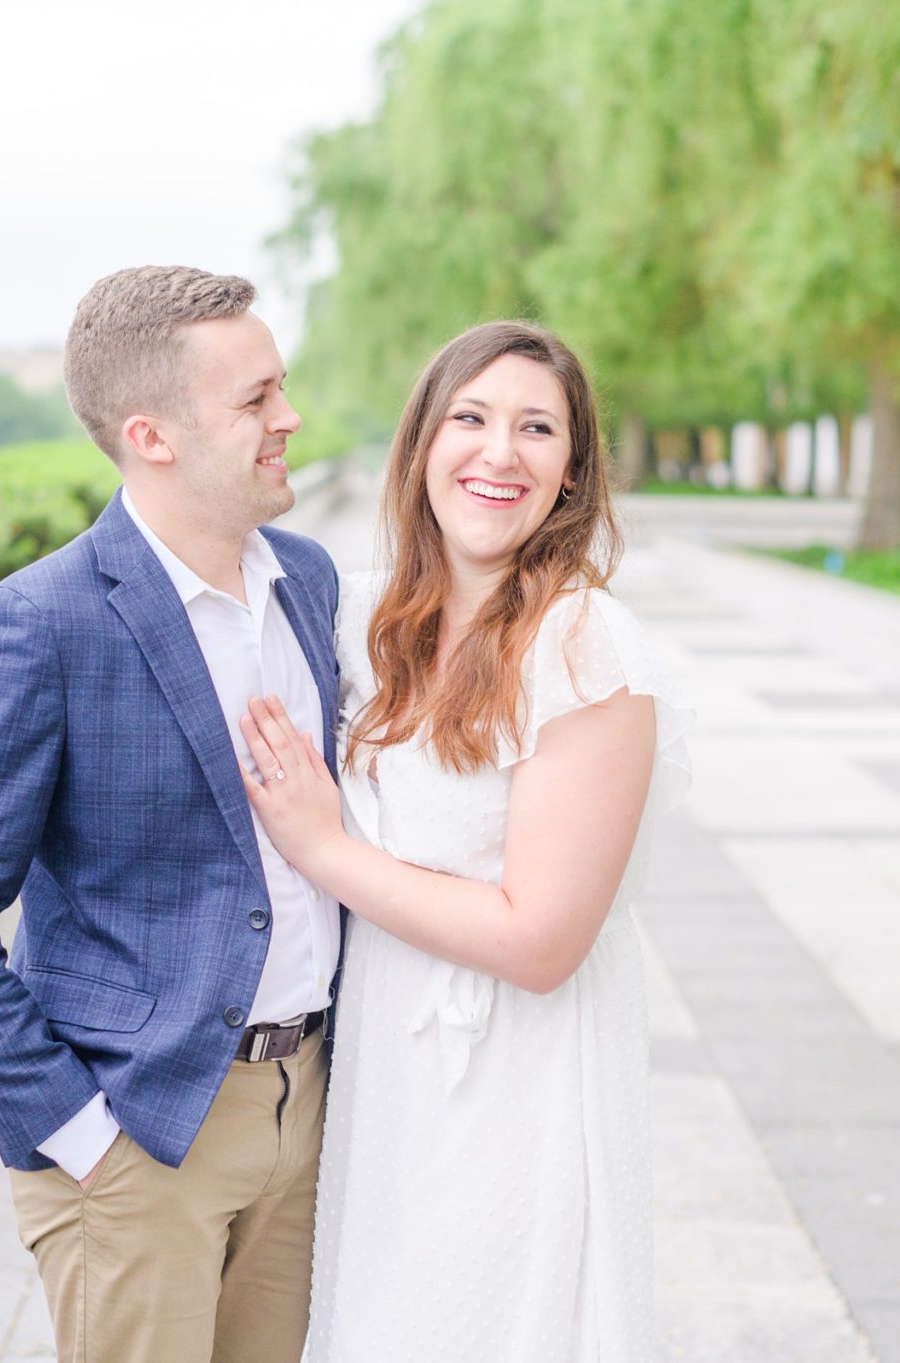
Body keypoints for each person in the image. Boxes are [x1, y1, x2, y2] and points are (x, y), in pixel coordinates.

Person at [0, 265, 341, 1363]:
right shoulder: (43, 624)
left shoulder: (310, 582)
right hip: (141, 1140)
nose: (289, 418)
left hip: (310, 1109)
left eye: (282, 387)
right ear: (152, 435)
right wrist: (79, 1136)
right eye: (255, 399)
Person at [235, 321, 692, 1361]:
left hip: (513, 1086)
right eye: (471, 418)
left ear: (569, 474)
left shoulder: (583, 647)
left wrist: (325, 849)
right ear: (419, 444)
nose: (499, 453)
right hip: (386, 1077)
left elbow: (541, 940)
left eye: (537, 428)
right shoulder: (375, 623)